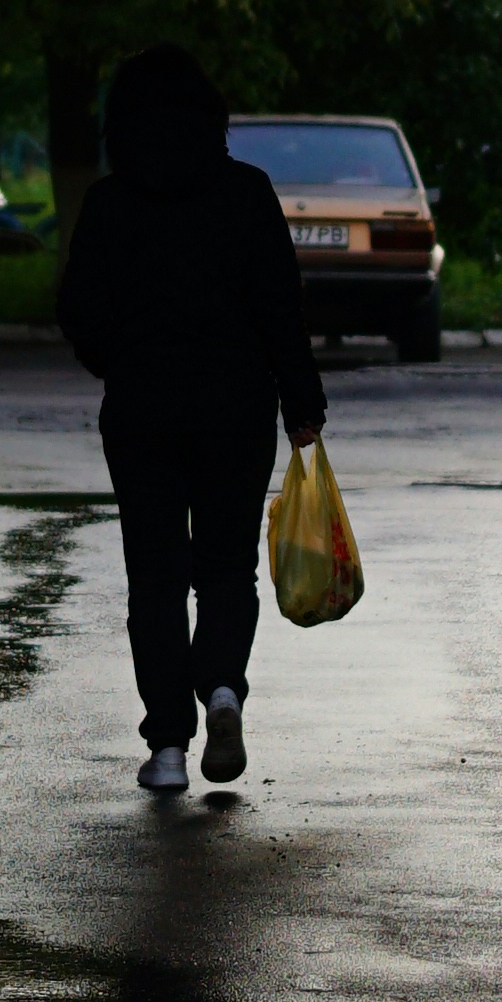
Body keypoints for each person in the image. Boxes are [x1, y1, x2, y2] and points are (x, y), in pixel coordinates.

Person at [55, 44, 327, 797]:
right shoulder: (247, 193)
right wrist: (301, 402)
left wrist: (118, 362)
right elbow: (281, 308)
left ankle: (168, 745)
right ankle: (223, 691)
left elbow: (77, 308)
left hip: (142, 410)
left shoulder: (110, 203)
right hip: (235, 408)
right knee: (225, 569)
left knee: (155, 576)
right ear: (213, 119)